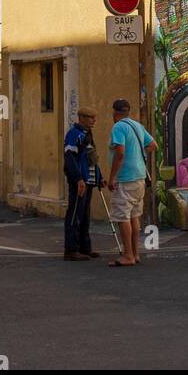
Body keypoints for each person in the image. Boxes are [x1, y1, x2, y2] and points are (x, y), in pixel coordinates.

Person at [107, 98, 156, 267]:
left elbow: (119, 153)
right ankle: (135, 253)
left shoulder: (118, 127)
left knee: (123, 216)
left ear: (115, 112)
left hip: (125, 178)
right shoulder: (137, 126)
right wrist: (138, 154)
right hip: (140, 176)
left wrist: (112, 177)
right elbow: (153, 145)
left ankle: (127, 255)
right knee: (135, 216)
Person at [63, 106, 103, 261]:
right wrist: (78, 178)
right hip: (80, 182)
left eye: (94, 118)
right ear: (81, 118)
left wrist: (100, 178)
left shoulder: (88, 135)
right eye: (90, 117)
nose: (94, 120)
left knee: (85, 214)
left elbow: (92, 159)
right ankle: (71, 249)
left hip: (90, 181)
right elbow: (70, 158)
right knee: (75, 214)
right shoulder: (74, 135)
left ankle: (85, 248)